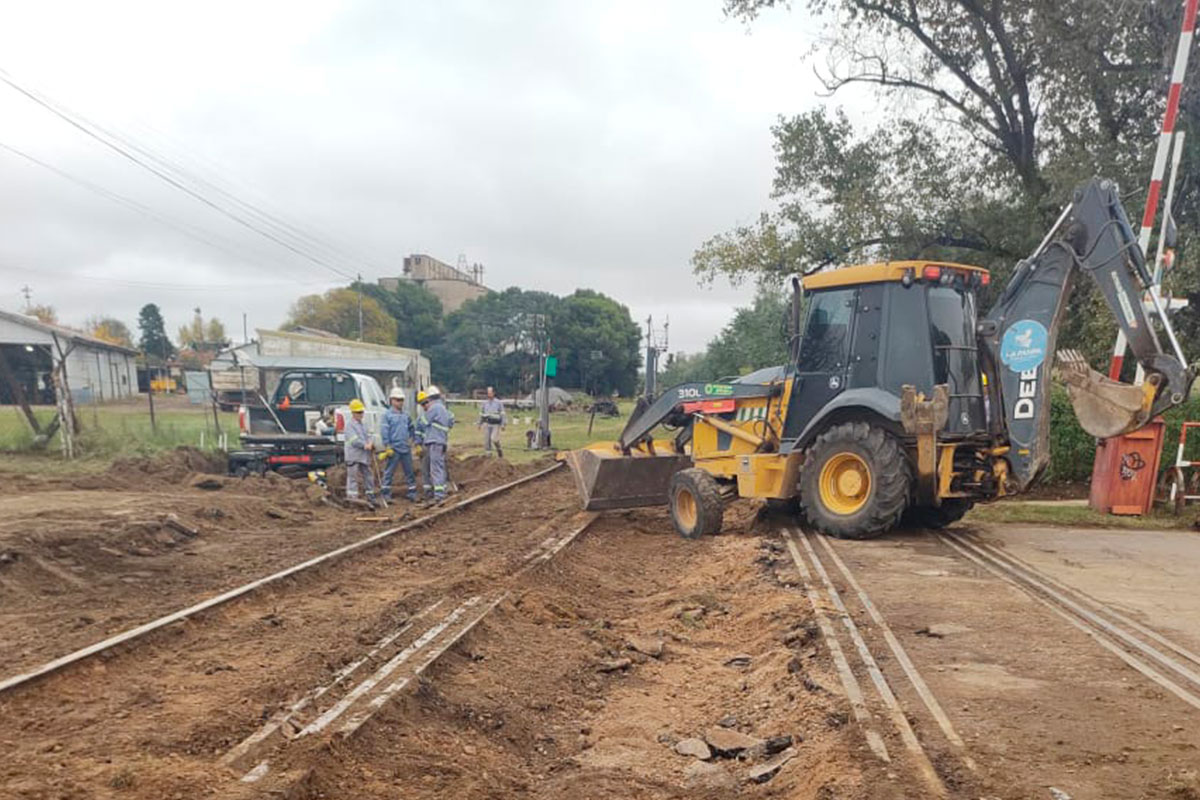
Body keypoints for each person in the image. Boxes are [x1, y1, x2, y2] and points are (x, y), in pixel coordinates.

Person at [380, 387, 417, 501]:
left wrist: (413, 439)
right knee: (389, 472)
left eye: (401, 400)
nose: (400, 402)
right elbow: (384, 431)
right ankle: (386, 494)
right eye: (397, 400)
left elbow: (411, 428)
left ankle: (412, 493)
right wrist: (387, 445)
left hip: (405, 447)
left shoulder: (406, 415)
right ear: (391, 400)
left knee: (409, 471)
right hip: (394, 448)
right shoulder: (387, 415)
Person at [423, 385, 455, 502]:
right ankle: (442, 490)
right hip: (442, 441)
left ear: (430, 398)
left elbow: (424, 421)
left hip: (434, 441)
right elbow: (451, 422)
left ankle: (439, 495)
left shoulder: (434, 408)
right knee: (440, 467)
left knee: (435, 468)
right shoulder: (444, 408)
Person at [343, 398, 377, 505]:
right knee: (353, 476)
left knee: (368, 474)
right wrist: (365, 445)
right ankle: (352, 497)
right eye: (358, 412)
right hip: (353, 455)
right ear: (353, 413)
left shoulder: (364, 424)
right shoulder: (349, 425)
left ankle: (370, 495)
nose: (361, 414)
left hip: (363, 455)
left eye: (361, 412)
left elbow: (370, 434)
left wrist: (371, 442)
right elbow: (354, 441)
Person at [478, 386, 506, 458]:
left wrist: (503, 424)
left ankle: (499, 449)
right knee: (487, 440)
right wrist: (480, 423)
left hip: (496, 424)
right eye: (488, 393)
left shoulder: (498, 403)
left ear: (493, 393)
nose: (489, 394)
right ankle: (488, 454)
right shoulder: (484, 403)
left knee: (494, 438)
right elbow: (481, 414)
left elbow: (503, 414)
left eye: (490, 393)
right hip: (487, 423)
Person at [414, 390, 432, 498]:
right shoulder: (420, 419)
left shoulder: (435, 414)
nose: (425, 406)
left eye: (426, 403)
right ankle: (428, 490)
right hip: (425, 446)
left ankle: (439, 488)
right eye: (422, 404)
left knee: (437, 468)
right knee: (425, 469)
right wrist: (418, 445)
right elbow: (417, 432)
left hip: (434, 445)